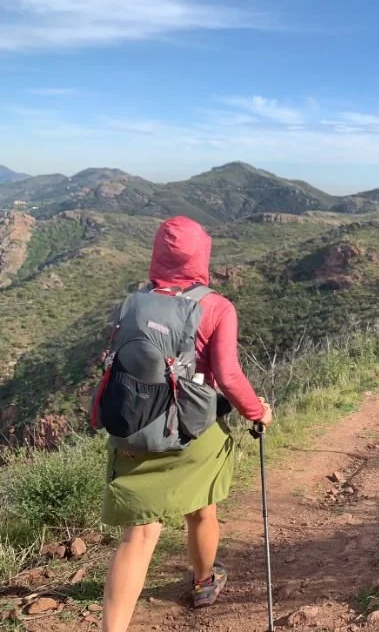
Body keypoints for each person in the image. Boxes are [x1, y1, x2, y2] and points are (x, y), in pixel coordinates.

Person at [99, 216, 272, 632]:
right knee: (201, 509)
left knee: (138, 538)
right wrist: (257, 411)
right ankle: (204, 581)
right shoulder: (216, 306)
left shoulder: (132, 303)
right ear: (202, 255)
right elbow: (228, 377)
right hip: (194, 432)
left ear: (157, 254)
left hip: (136, 427)